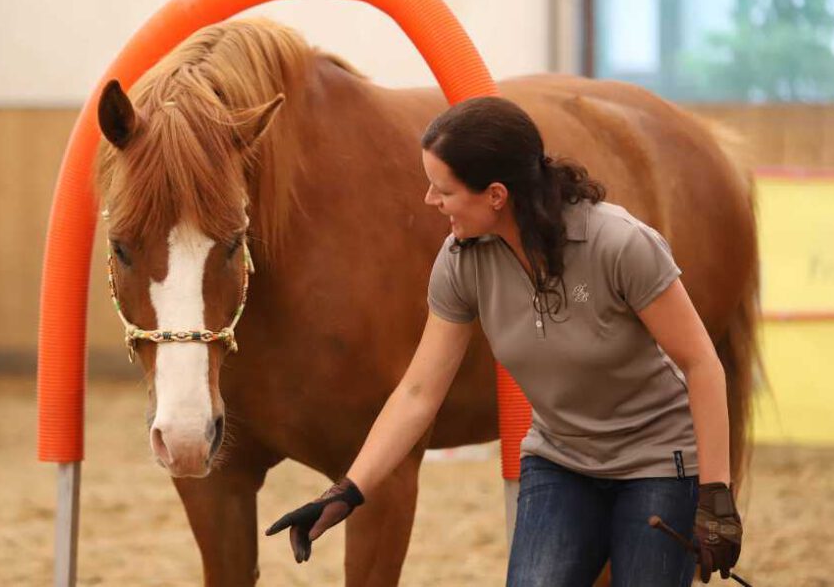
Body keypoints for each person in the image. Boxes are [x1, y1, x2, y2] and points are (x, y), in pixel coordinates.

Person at [266, 97, 743, 586]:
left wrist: (716, 496)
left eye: (443, 189)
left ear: (495, 195)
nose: (430, 200)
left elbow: (701, 361)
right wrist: (348, 491)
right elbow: (417, 392)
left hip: (658, 463)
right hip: (561, 461)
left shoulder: (619, 243)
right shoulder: (460, 260)